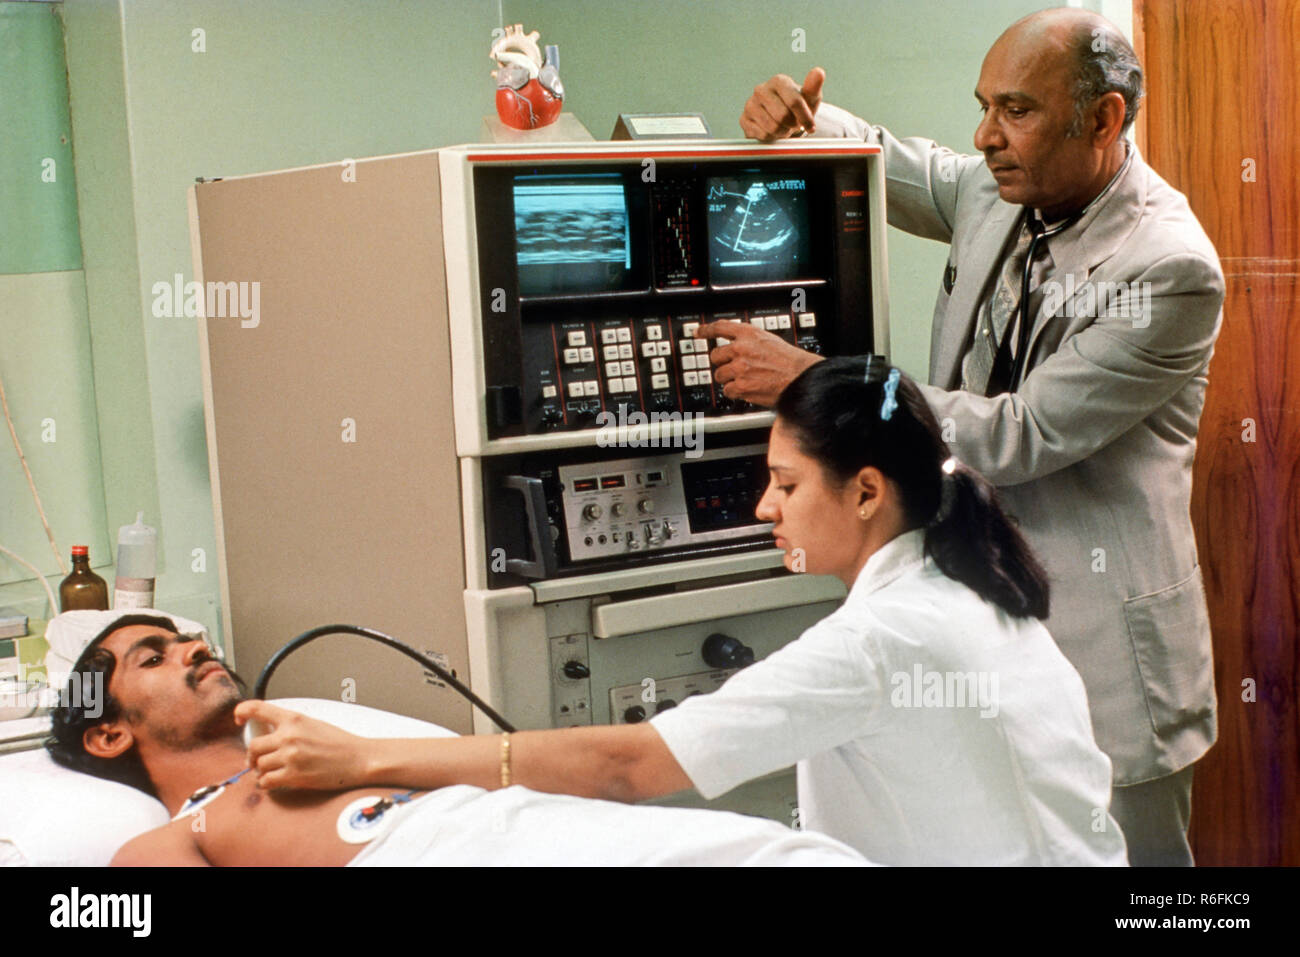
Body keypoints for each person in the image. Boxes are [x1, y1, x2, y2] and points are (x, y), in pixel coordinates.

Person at [237, 359, 1128, 866]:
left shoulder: (884, 635)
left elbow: (629, 763)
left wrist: (363, 754)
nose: (762, 510)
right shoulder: (974, 582)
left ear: (865, 492)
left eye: (783, 484)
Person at [711, 7, 1223, 866]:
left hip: (1102, 652)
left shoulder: (1168, 268)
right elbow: (898, 165)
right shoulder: (999, 182)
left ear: (1103, 120)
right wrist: (810, 124)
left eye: (1016, 110)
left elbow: (1021, 434)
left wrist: (816, 380)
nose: (985, 136)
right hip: (972, 627)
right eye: (983, 106)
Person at [45, 613, 867, 866]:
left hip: (522, 828)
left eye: (187, 638)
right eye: (151, 657)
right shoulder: (173, 835)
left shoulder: (335, 741)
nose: (192, 649)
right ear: (110, 731)